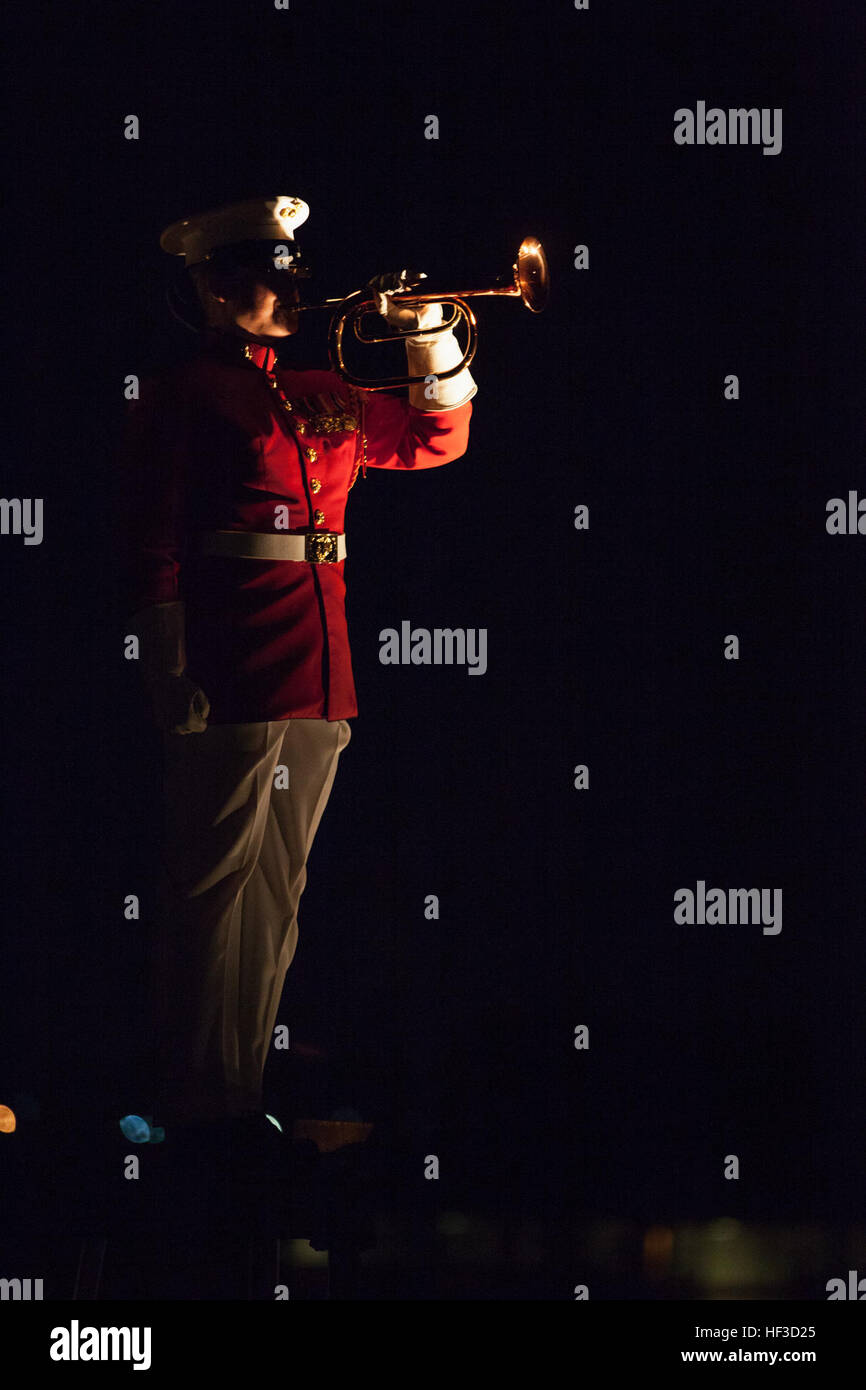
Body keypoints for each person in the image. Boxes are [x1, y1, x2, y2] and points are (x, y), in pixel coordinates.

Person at [121, 196, 476, 1159]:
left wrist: (429, 337)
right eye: (269, 273)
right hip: (231, 663)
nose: (291, 289)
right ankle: (193, 1093)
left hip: (319, 665)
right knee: (212, 881)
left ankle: (237, 1091)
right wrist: (167, 658)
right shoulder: (185, 389)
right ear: (212, 286)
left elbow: (436, 440)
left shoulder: (319, 388)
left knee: (278, 885)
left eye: (291, 271)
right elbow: (150, 534)